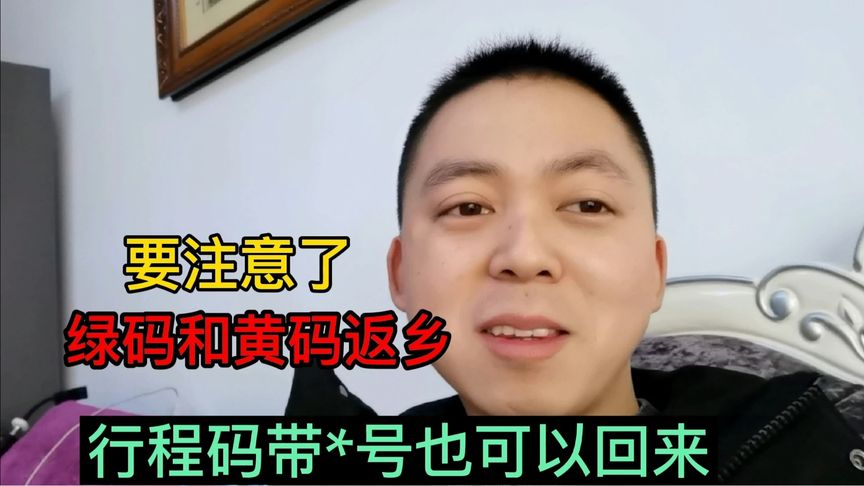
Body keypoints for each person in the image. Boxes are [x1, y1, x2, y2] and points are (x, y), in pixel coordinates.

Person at [286, 38, 864, 483]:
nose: (524, 255)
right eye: (467, 207)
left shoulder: (797, 455)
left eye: (588, 204)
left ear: (654, 271)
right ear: (399, 275)